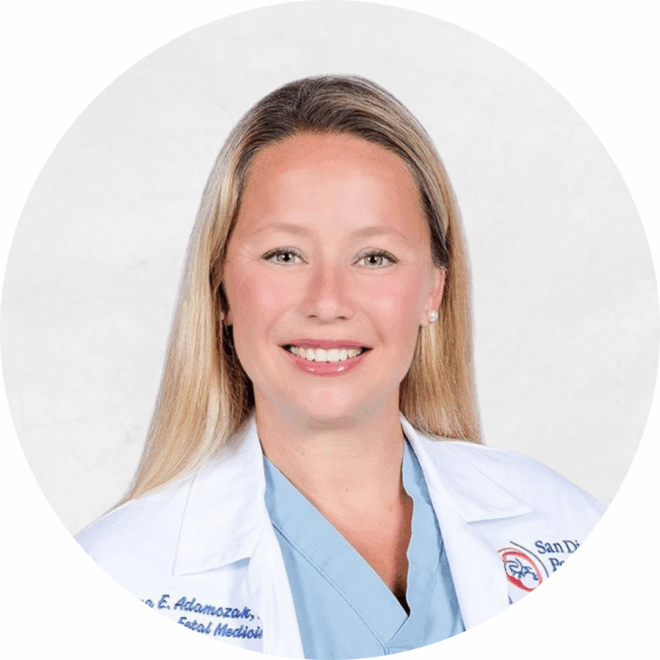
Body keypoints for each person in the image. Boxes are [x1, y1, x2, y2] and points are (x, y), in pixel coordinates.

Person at [75, 75, 603, 659]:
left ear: (433, 290)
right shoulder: (112, 577)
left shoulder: (569, 528)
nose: (327, 301)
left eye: (374, 257)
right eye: (284, 255)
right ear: (221, 288)